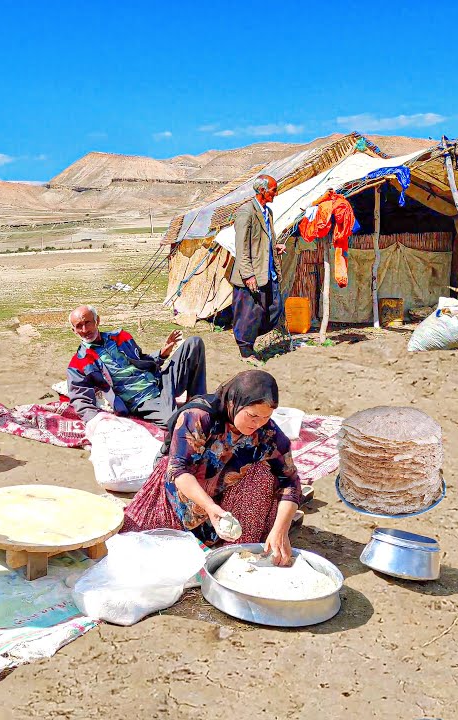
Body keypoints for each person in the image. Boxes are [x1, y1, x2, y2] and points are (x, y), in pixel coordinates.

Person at [121, 370, 301, 565]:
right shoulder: (199, 417)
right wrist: (211, 508)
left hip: (226, 492)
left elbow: (290, 481)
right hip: (184, 492)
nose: (258, 424)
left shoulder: (268, 433)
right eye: (252, 416)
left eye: (265, 417)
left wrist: (281, 528)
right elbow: (179, 470)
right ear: (233, 402)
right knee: (140, 546)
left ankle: (236, 546)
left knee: (263, 474)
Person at [67, 305, 207, 428]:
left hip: (160, 381)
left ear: (97, 321)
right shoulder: (78, 363)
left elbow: (141, 360)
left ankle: (197, 400)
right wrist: (97, 422)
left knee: (194, 343)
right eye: (79, 326)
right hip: (141, 400)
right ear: (74, 330)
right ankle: (176, 411)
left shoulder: (121, 337)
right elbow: (80, 399)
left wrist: (162, 354)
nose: (85, 330)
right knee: (176, 421)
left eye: (88, 323)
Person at [229, 174, 286, 365]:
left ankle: (249, 340)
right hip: (251, 274)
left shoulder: (267, 212)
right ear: (262, 190)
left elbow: (262, 240)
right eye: (274, 190)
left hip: (266, 272)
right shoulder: (246, 212)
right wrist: (248, 274)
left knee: (274, 308)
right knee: (248, 314)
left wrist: (274, 248)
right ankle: (246, 352)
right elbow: (242, 247)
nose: (276, 193)